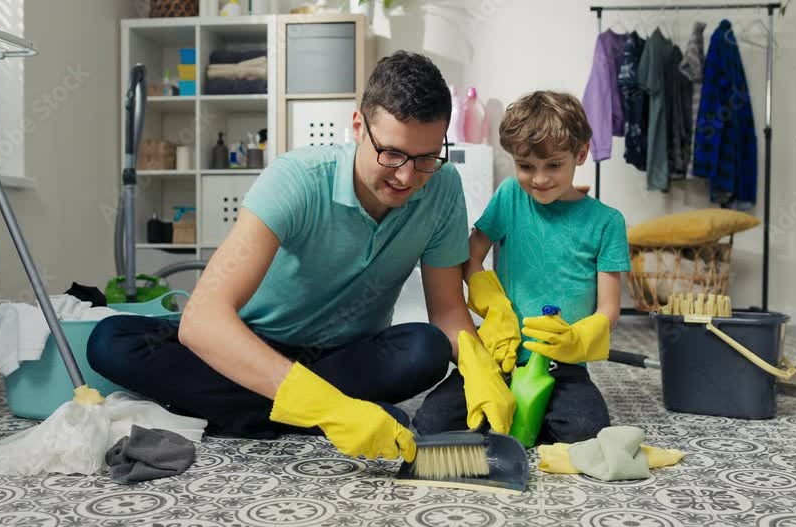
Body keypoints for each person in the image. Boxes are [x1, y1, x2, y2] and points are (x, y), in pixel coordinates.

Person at [87, 51, 515, 462]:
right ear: (357, 127)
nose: (407, 176)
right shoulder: (296, 180)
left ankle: (247, 413)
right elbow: (202, 318)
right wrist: (331, 410)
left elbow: (447, 313)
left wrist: (481, 371)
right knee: (112, 341)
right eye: (393, 153)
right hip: (253, 347)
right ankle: (311, 414)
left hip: (341, 356)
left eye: (425, 158)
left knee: (426, 348)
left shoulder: (440, 188)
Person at [413, 90, 631, 444]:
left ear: (581, 153)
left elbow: (609, 308)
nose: (539, 179)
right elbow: (471, 255)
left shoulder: (606, 222)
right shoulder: (510, 196)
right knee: (432, 422)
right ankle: (518, 410)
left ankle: (524, 411)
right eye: (526, 166)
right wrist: (492, 303)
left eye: (553, 166)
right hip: (502, 354)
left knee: (586, 433)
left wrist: (578, 339)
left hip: (561, 365)